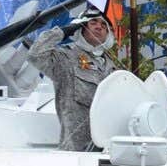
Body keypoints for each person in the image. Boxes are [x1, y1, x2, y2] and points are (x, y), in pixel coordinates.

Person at [27, 9, 116, 152]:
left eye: (104, 25)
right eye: (93, 22)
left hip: (109, 150)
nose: (99, 26)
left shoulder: (113, 68)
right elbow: (35, 55)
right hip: (75, 152)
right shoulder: (66, 57)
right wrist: (64, 31)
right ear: (81, 27)